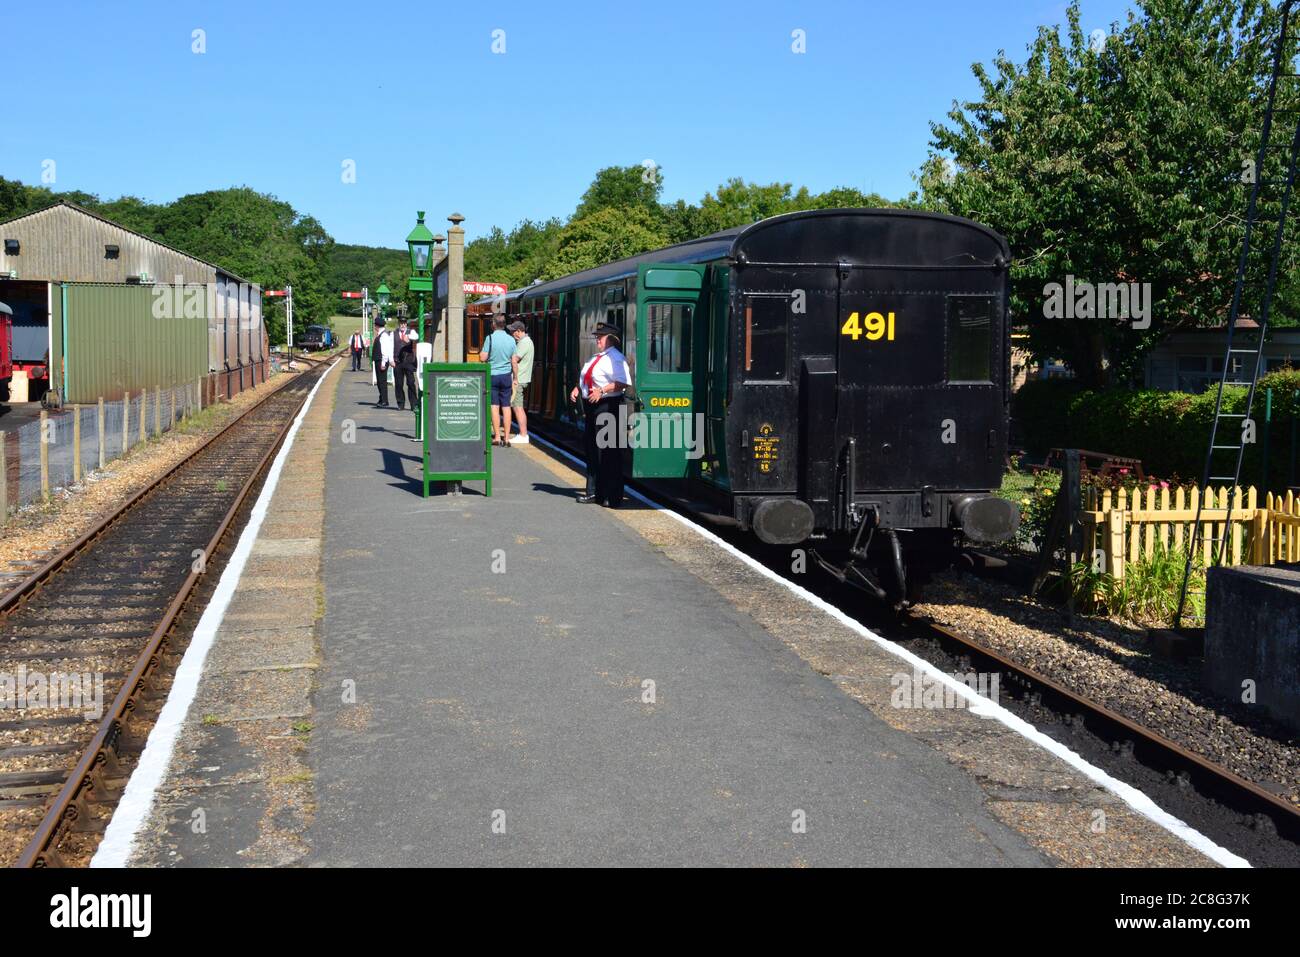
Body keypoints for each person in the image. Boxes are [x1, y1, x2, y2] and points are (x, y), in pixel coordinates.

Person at [569, 323, 629, 507]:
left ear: (611, 338)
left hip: (608, 407)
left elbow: (623, 382)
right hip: (593, 407)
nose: (597, 339)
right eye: (597, 336)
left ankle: (612, 496)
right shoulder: (599, 357)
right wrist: (579, 388)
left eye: (600, 337)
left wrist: (601, 391)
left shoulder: (616, 358)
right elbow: (588, 377)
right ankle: (594, 492)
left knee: (609, 453)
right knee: (593, 450)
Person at [479, 315, 516, 446]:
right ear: (504, 325)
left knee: (494, 406)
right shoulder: (511, 339)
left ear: (493, 324)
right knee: (506, 407)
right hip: (506, 376)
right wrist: (515, 378)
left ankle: (497, 437)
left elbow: (483, 358)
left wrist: (484, 354)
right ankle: (506, 438)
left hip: (493, 375)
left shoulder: (490, 338)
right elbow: (514, 361)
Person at [507, 320, 534, 444]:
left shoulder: (524, 343)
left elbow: (514, 359)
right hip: (522, 378)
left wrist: (515, 379)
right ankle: (523, 434)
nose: (512, 334)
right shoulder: (526, 342)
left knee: (518, 407)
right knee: (517, 406)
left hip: (520, 379)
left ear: (518, 331)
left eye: (513, 331)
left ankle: (523, 435)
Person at [394, 322, 418, 411]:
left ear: (406, 324)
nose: (402, 325)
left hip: (408, 362)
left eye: (404, 323)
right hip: (397, 362)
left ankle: (414, 404)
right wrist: (391, 360)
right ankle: (400, 404)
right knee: (398, 384)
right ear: (398, 324)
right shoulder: (393, 334)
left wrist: (409, 338)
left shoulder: (411, 332)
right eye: (401, 323)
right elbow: (390, 346)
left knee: (411, 383)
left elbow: (416, 337)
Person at [372, 319, 395, 407]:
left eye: (375, 325)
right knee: (380, 381)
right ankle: (382, 399)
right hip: (380, 360)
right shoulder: (382, 335)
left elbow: (385, 350)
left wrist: (383, 363)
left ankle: (384, 401)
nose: (374, 327)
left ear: (377, 326)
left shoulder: (383, 336)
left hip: (381, 360)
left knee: (382, 381)